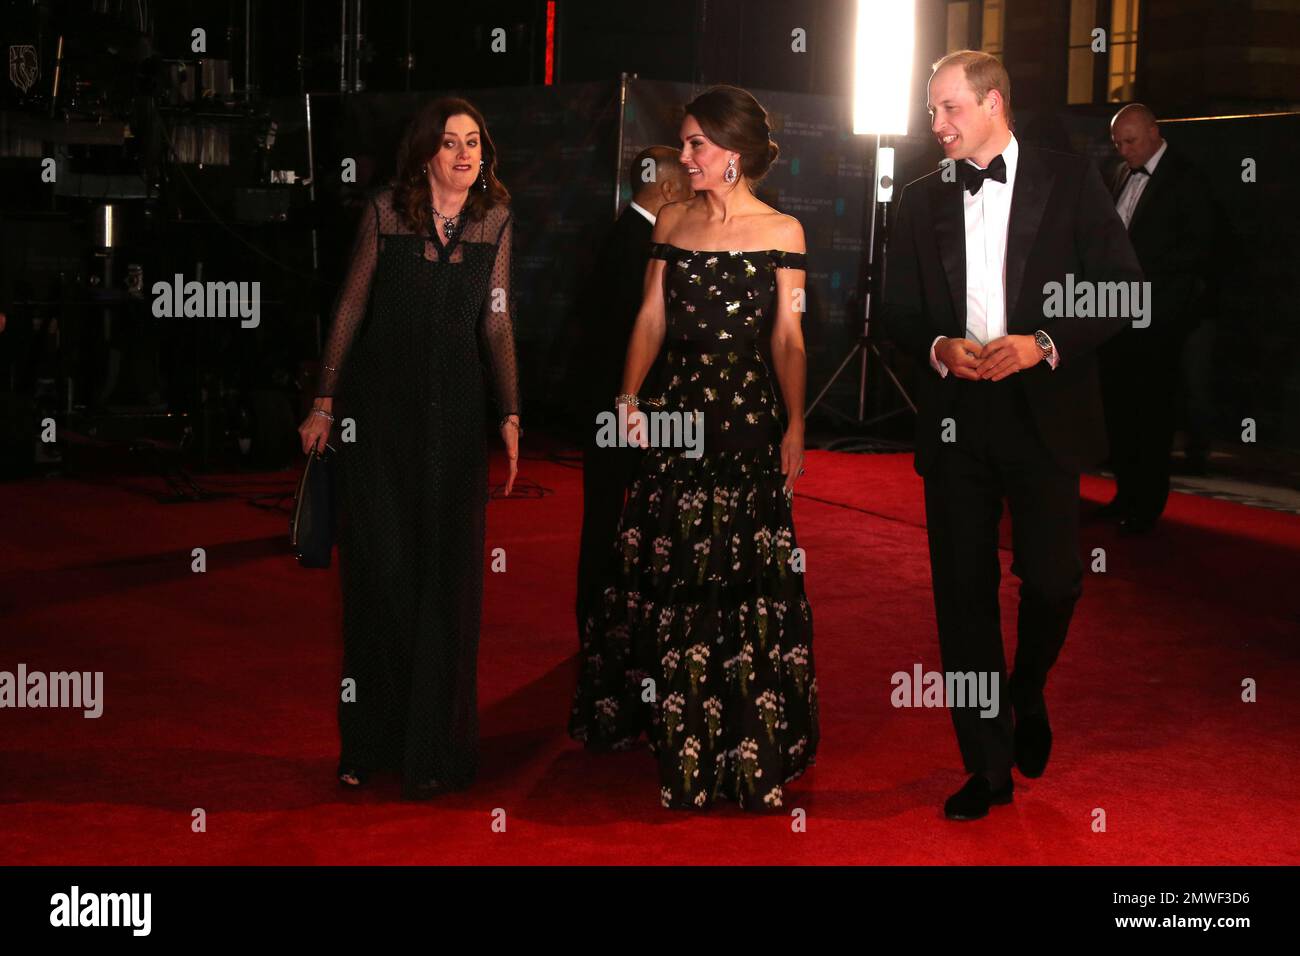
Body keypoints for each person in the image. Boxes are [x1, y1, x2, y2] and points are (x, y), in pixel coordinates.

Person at [883, 51, 1142, 821]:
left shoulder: (1069, 180)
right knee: (962, 597)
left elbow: (1123, 288)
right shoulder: (918, 199)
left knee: (1054, 579)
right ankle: (987, 766)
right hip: (957, 417)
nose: (936, 125)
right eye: (932, 111)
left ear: (994, 103)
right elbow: (897, 313)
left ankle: (1023, 689)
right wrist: (938, 348)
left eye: (949, 109)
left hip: (1044, 410)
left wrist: (1044, 341)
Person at [569, 85, 817, 811]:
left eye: (696, 146)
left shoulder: (786, 232)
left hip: (745, 423)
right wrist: (627, 398)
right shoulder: (672, 223)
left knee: (737, 574)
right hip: (674, 418)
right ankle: (669, 720)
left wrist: (797, 426)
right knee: (669, 564)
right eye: (684, 143)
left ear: (732, 156)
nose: (684, 157)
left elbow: (789, 337)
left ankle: (741, 733)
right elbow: (649, 320)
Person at [296, 97, 521, 799]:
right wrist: (325, 400)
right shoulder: (387, 213)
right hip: (381, 419)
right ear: (427, 151)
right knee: (381, 581)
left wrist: (510, 411)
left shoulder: (494, 220)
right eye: (451, 142)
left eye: (474, 143)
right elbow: (351, 308)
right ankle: (368, 746)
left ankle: (436, 753)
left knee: (448, 587)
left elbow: (497, 321)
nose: (463, 154)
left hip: (455, 421)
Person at [574, 146, 694, 645]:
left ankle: (606, 626)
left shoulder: (625, 233)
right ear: (666, 190)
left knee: (614, 515)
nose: (693, 193)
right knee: (611, 517)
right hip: (623, 409)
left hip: (617, 406)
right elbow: (634, 334)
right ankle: (600, 629)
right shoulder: (638, 244)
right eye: (686, 184)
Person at [1097, 104, 1214, 532]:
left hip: (1160, 316)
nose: (1123, 150)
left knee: (1152, 411)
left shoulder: (1187, 178)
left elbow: (1199, 249)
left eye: (1130, 141)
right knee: (1120, 407)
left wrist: (1150, 284)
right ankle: (1125, 493)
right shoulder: (1118, 174)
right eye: (1117, 143)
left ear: (1153, 132)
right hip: (1115, 312)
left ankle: (1146, 505)